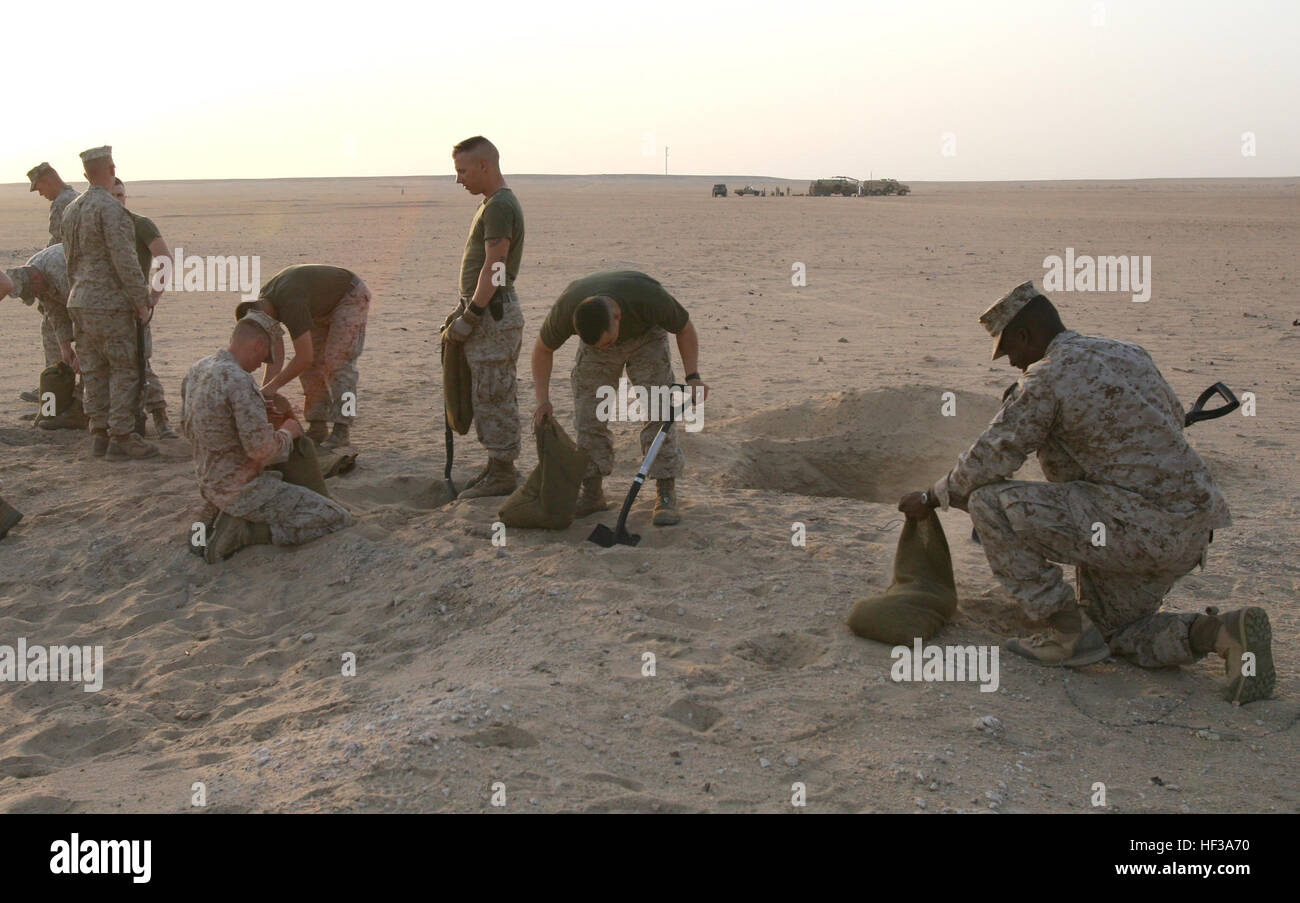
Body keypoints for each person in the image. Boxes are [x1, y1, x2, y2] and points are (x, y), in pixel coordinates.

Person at [897, 281, 1273, 705]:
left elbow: (991, 458)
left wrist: (932, 496)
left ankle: (1065, 630)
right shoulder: (1127, 353)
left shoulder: (1045, 378)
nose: (1012, 363)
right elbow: (1170, 416)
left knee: (989, 503)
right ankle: (1222, 633)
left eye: (1010, 352)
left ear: (1026, 335)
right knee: (1114, 634)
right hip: (1189, 529)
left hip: (1132, 525)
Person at [530, 270, 709, 526]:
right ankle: (592, 493)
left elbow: (685, 328)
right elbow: (542, 349)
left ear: (618, 317)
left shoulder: (649, 298)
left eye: (609, 341)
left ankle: (666, 491)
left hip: (646, 338)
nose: (608, 347)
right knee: (588, 414)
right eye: (600, 344)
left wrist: (693, 376)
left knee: (659, 408)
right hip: (597, 343)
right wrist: (543, 401)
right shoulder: (567, 308)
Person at [180, 316, 352, 563]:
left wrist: (259, 416)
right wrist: (288, 432)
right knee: (335, 517)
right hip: (243, 489)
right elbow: (263, 451)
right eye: (264, 358)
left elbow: (191, 428)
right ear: (259, 345)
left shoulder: (198, 369)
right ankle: (246, 532)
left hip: (209, 479)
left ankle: (216, 512)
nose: (261, 366)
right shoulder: (239, 380)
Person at [59, 146, 157, 459]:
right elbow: (125, 260)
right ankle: (122, 437)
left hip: (80, 301)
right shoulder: (112, 210)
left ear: (86, 174)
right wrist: (142, 301)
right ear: (112, 168)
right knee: (125, 369)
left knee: (94, 370)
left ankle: (99, 433)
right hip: (111, 304)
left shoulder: (71, 209)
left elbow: (68, 259)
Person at [441, 136, 525, 499]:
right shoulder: (493, 204)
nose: (459, 179)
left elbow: (495, 264)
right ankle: (496, 464)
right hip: (486, 312)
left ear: (484, 166)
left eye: (463, 170)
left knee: (494, 391)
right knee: (487, 389)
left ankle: (504, 471)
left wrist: (472, 314)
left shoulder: (499, 206)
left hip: (491, 314)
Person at [239, 264, 370, 449]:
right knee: (311, 368)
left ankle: (342, 427)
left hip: (349, 296)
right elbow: (278, 355)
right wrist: (265, 392)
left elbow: (303, 357)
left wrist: (273, 387)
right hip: (318, 308)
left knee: (339, 363)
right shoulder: (265, 305)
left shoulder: (290, 305)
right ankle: (317, 425)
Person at [109, 177, 177, 438]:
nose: (117, 201)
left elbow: (165, 260)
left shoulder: (139, 224)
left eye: (120, 195)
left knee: (141, 364)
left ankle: (160, 416)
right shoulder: (97, 226)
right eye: (112, 195)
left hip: (133, 309)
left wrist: (153, 297)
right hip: (103, 309)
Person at [27, 161, 79, 247]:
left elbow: (58, 240)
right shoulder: (77, 195)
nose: (41, 194)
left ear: (48, 182)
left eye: (40, 189)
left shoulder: (60, 203)